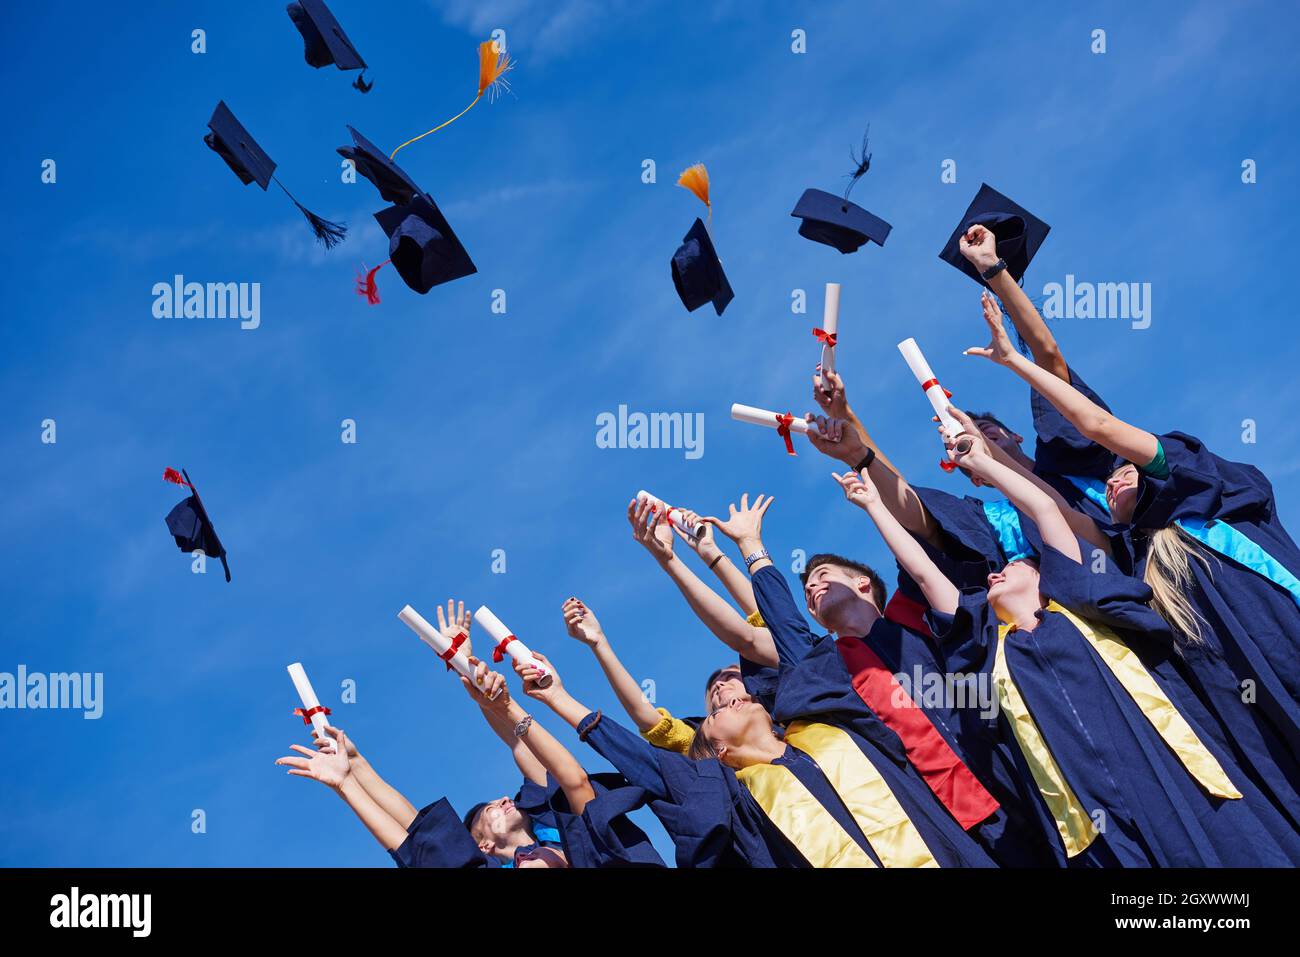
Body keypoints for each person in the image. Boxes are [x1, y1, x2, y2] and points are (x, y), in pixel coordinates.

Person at [845, 407, 1300, 866]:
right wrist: (872, 502)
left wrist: (985, 461)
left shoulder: (1082, 602)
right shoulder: (986, 649)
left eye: (1016, 563)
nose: (996, 573)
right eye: (993, 573)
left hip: (1166, 763)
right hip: (1088, 807)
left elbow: (1048, 510)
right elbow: (926, 572)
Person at [962, 294, 1300, 827]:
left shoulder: (1202, 486)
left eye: (1127, 468)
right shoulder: (1132, 560)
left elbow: (1090, 416)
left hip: (1276, 624)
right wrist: (985, 461)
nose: (1117, 473)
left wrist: (1004, 310)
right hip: (1215, 671)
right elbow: (1057, 517)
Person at [700, 492, 1056, 867]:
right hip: (937, 820)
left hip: (1010, 772)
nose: (811, 588)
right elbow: (784, 625)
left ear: (864, 584)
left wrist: (872, 492)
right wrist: (751, 547)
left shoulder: (915, 619)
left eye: (823, 577)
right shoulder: (829, 667)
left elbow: (920, 554)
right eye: (807, 591)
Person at [510, 648, 997, 868]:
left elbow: (786, 645)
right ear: (716, 749)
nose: (727, 700)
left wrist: (747, 553)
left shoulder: (832, 730)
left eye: (733, 695)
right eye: (714, 711)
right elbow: (646, 762)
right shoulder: (733, 797)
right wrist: (558, 698)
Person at [275, 601, 663, 868]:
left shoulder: (560, 822)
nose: (501, 799)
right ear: (484, 846)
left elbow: (524, 743)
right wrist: (351, 775)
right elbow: (413, 834)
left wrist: (466, 669)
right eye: (487, 814)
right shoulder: (477, 862)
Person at [560, 595, 748, 754]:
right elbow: (650, 720)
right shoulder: (705, 744)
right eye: (713, 691)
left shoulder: (777, 714)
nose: (719, 686)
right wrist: (598, 643)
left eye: (729, 677)